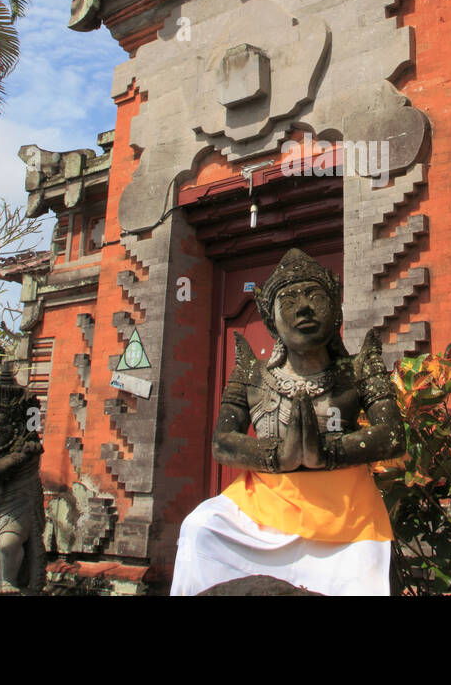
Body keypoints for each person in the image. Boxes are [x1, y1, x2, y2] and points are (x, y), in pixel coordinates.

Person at [171, 248, 405, 595]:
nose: (304, 308)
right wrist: (277, 456)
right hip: (262, 506)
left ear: (335, 310)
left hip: (344, 509)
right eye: (289, 299)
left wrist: (329, 453)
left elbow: (393, 436)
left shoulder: (356, 369)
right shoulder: (253, 374)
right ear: (270, 318)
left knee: (363, 568)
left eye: (315, 296)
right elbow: (222, 441)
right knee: (201, 527)